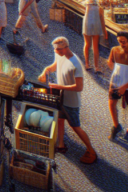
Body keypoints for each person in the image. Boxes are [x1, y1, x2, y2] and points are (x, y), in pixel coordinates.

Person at [39, 36, 98, 164]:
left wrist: (59, 87)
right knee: (60, 119)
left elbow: (79, 87)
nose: (55, 52)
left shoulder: (75, 64)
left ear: (66, 48)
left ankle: (91, 150)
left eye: (58, 50)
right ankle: (61, 144)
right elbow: (54, 66)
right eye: (55, 50)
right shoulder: (59, 55)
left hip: (71, 102)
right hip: (61, 98)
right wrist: (45, 71)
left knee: (75, 126)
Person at [82, 0, 103, 71]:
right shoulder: (99, 7)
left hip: (87, 24)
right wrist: (104, 31)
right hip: (96, 24)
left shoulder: (87, 4)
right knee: (95, 46)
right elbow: (102, 18)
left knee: (87, 44)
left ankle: (87, 64)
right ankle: (96, 67)